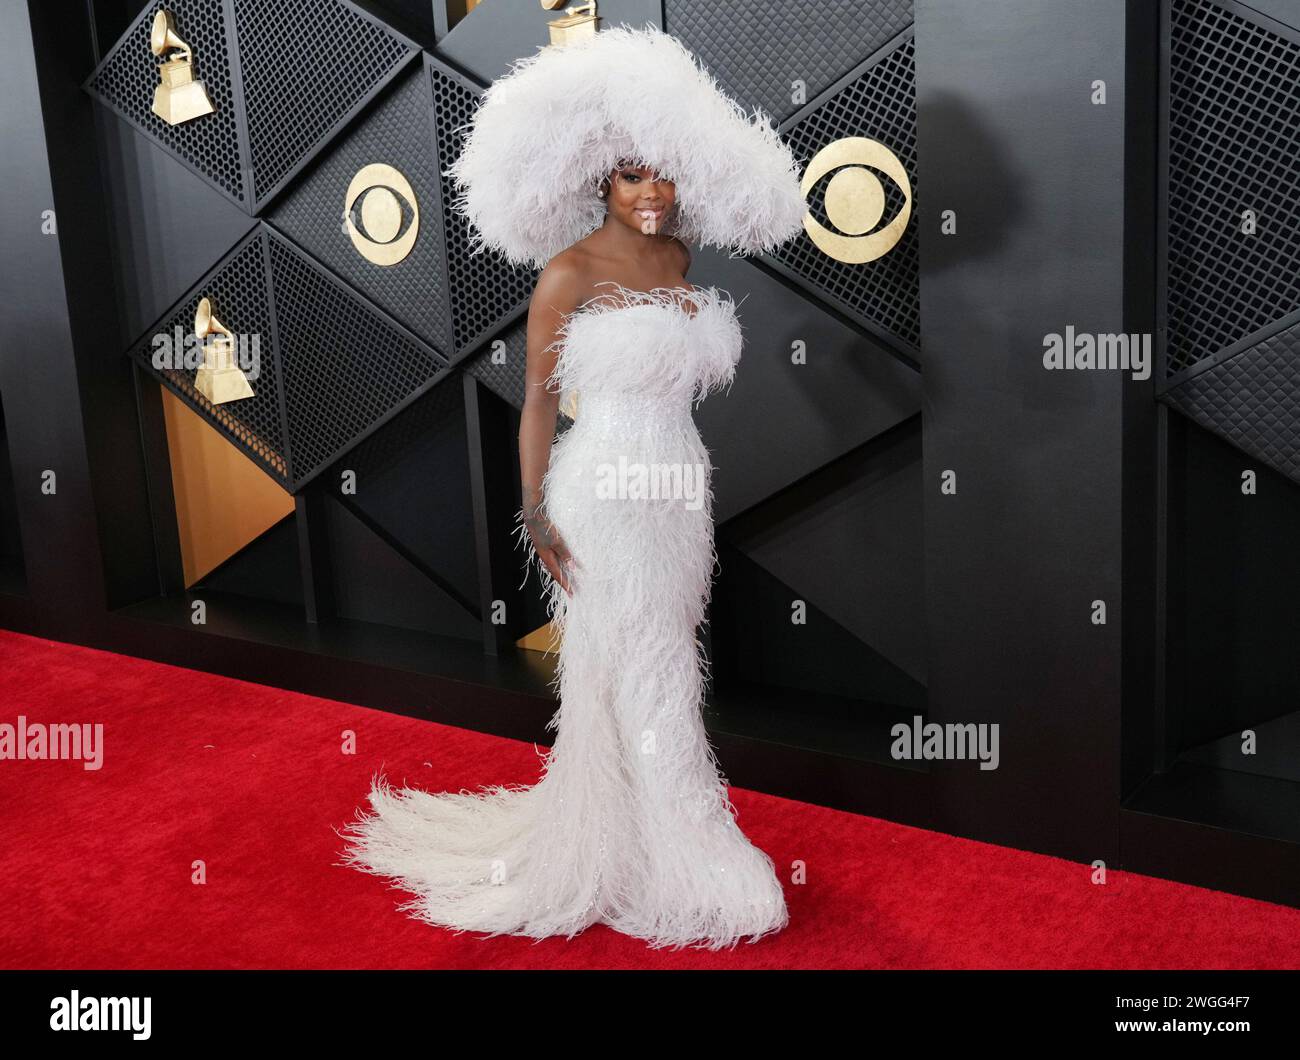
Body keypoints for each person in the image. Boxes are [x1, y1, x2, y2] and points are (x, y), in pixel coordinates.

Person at [338, 22, 806, 950]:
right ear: (604, 178)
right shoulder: (568, 273)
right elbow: (539, 408)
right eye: (633, 174)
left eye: (664, 173)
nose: (652, 190)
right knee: (653, 669)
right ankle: (696, 855)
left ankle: (615, 840)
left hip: (679, 488)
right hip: (606, 494)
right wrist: (534, 510)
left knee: (643, 656)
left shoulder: (676, 259)